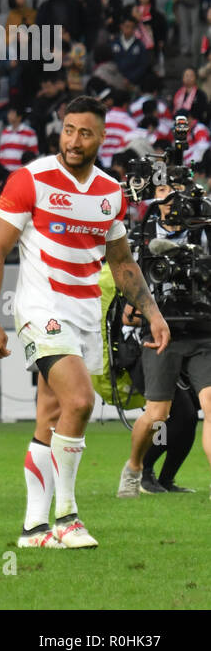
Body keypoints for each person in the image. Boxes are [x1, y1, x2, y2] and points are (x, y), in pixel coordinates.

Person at [0, 95, 170, 549]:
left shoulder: (108, 193)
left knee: (51, 414)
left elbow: (122, 263)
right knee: (81, 401)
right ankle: (66, 516)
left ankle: (32, 529)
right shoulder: (31, 179)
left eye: (85, 133)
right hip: (40, 310)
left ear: (102, 138)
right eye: (68, 129)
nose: (74, 140)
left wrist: (153, 313)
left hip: (84, 316)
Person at [117, 178, 211, 497]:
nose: (171, 199)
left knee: (209, 406)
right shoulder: (141, 236)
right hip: (160, 331)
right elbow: (127, 294)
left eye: (177, 191)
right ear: (152, 197)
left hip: (201, 329)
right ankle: (134, 468)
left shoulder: (204, 227)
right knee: (159, 414)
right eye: (162, 191)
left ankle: (164, 479)